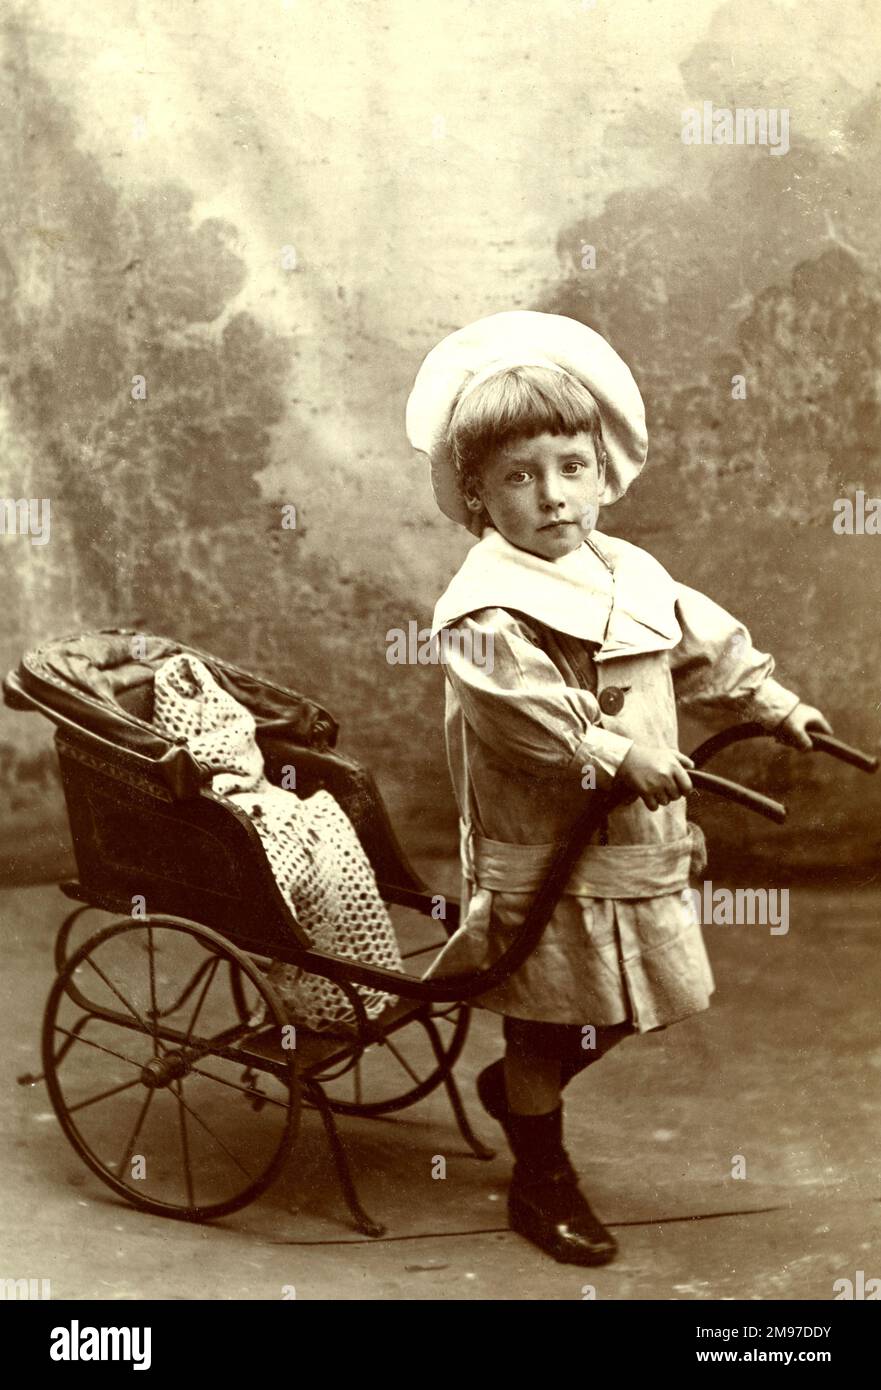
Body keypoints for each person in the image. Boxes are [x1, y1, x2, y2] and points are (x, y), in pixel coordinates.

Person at [406, 311, 831, 1266]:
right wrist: (610, 749)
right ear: (477, 494)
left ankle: (528, 1087)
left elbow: (701, 639)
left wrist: (771, 702)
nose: (551, 497)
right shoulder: (479, 609)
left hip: (639, 845)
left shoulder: (627, 570)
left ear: (601, 471)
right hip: (545, 847)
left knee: (640, 995)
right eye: (518, 477)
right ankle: (539, 1173)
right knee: (547, 1002)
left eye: (569, 467)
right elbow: (517, 713)